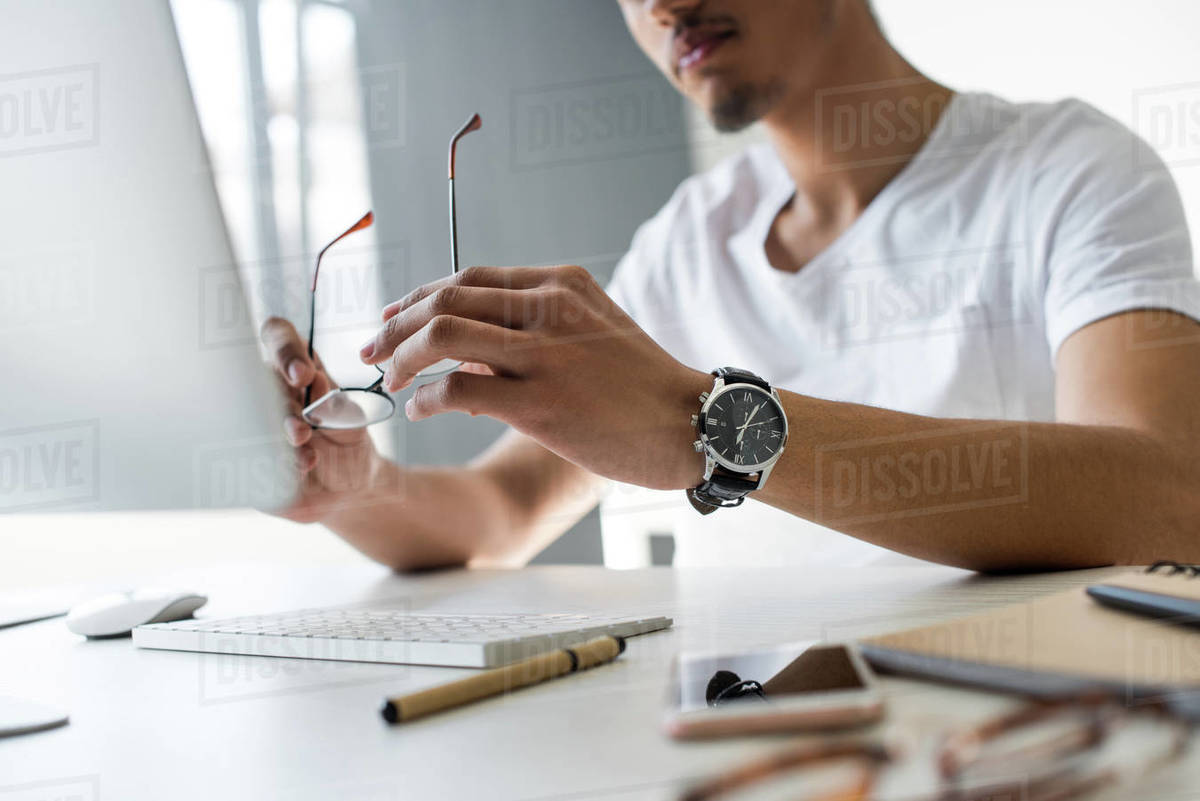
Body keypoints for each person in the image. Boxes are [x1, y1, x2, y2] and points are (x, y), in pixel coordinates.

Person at [262, 0, 1200, 572]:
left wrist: (703, 424)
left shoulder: (1069, 170)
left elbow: (1168, 495)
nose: (663, 6)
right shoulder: (689, 239)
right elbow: (503, 512)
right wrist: (357, 488)